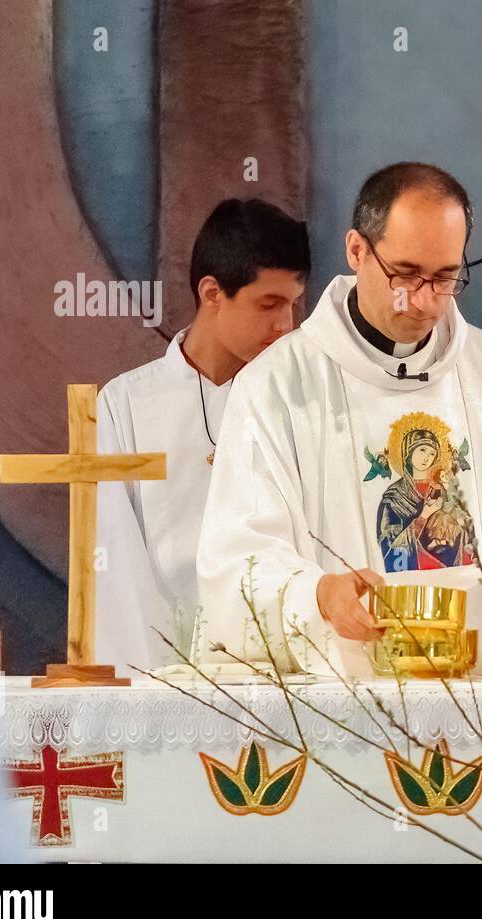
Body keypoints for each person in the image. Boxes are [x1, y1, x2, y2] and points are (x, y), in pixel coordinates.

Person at [196, 163, 482, 676]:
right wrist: (317, 595)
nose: (426, 299)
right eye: (406, 274)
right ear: (357, 250)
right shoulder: (278, 384)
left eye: (446, 277)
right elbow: (239, 557)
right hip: (347, 705)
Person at [95, 198, 309, 674]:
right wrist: (151, 684)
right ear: (212, 292)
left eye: (294, 304)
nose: (285, 325)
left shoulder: (298, 401)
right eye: (269, 304)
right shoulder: (125, 405)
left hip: (277, 672)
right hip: (162, 671)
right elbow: (118, 566)